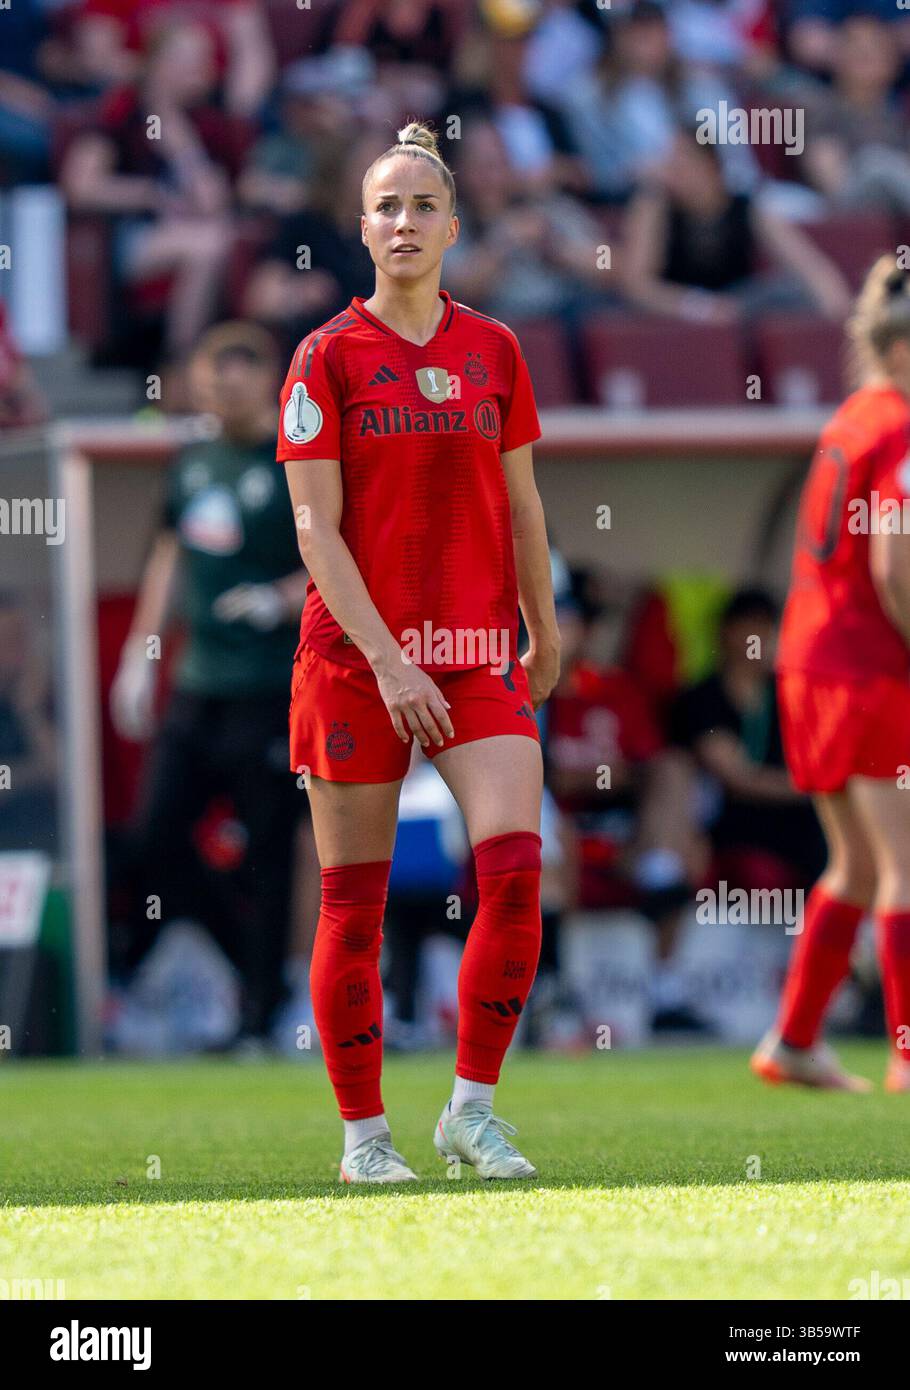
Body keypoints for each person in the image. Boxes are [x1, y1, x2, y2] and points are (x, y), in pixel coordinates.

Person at [278, 119, 560, 1183]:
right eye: (385, 207)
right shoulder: (325, 357)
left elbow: (523, 500)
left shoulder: (496, 349)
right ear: (361, 229)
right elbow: (316, 532)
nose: (404, 222)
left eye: (422, 206)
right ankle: (363, 1139)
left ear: (453, 224)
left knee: (517, 873)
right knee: (354, 902)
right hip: (358, 660)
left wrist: (543, 617)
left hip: (476, 647)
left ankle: (471, 1113)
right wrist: (390, 662)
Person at [110, 320, 310, 1047]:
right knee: (153, 837)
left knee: (268, 853)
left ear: (267, 380)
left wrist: (278, 598)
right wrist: (142, 652)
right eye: (212, 374)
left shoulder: (295, 460)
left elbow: (336, 553)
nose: (224, 388)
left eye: (240, 373)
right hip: (199, 685)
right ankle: (252, 969)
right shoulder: (191, 463)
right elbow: (171, 554)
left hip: (270, 689)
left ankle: (261, 1015)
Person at [753, 253, 910, 1093]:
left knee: (854, 861)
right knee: (904, 864)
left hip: (807, 661)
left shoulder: (851, 417)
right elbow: (895, 568)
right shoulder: (901, 427)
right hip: (867, 665)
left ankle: (794, 1039)